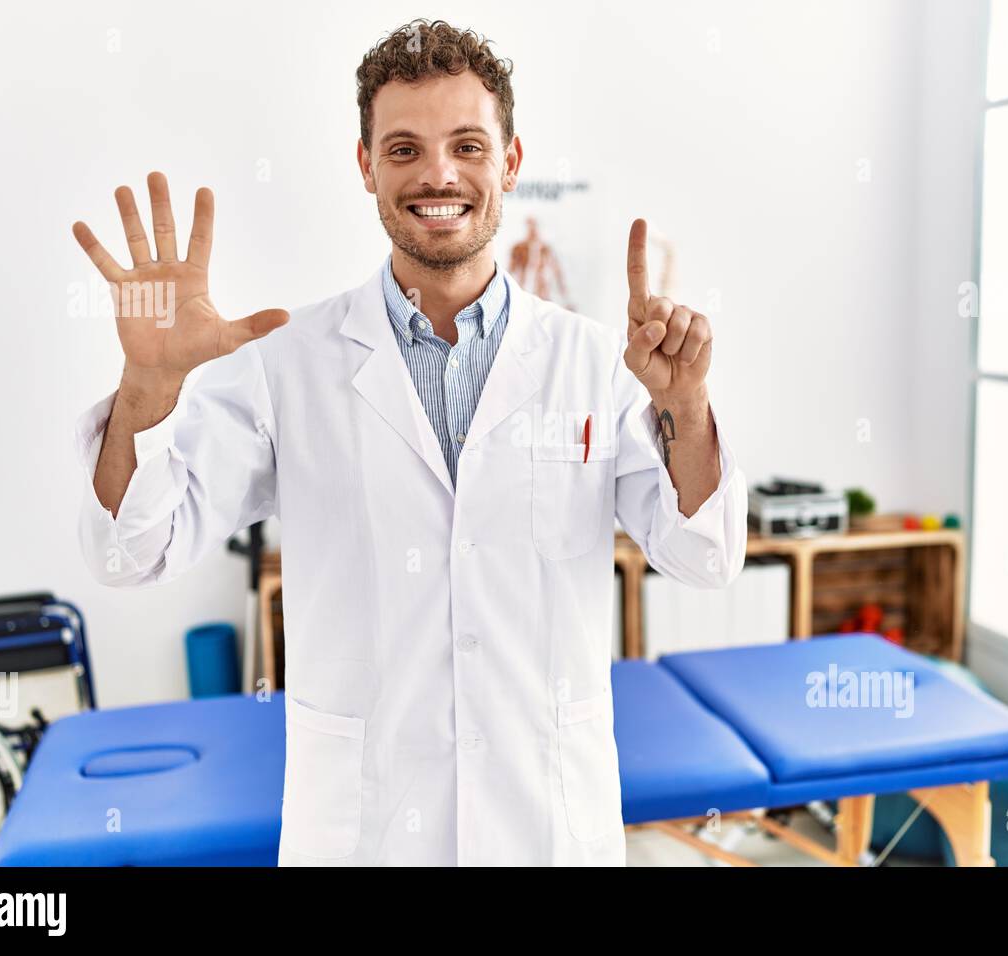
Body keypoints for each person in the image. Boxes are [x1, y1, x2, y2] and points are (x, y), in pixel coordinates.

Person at [71, 18, 746, 866]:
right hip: (364, 834)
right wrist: (148, 392)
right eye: (403, 149)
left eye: (467, 144)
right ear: (366, 166)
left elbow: (706, 555)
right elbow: (133, 554)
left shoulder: (592, 363)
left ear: (510, 160)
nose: (438, 175)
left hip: (544, 827)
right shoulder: (291, 364)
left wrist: (684, 401)